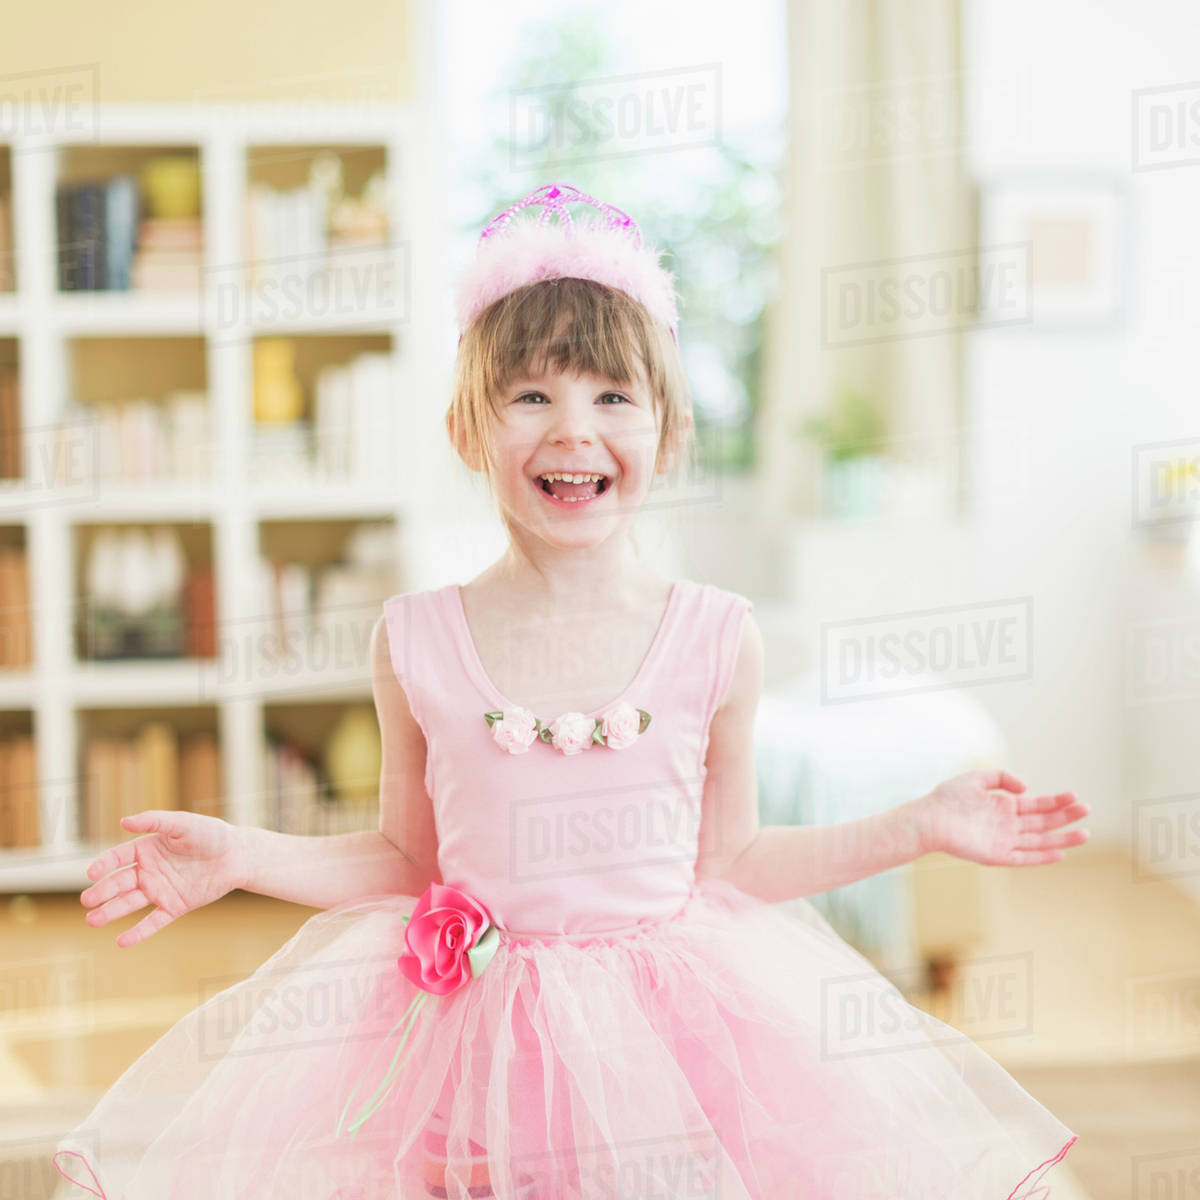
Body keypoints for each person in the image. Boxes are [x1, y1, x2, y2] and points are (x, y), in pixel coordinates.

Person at [53, 182, 1089, 1199]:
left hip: (670, 1050)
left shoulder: (717, 638)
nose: (572, 431)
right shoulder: (414, 639)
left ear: (669, 435)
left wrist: (919, 823)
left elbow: (733, 864)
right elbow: (405, 860)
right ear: (469, 433)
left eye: (611, 397)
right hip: (481, 1054)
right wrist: (242, 855)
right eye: (531, 396)